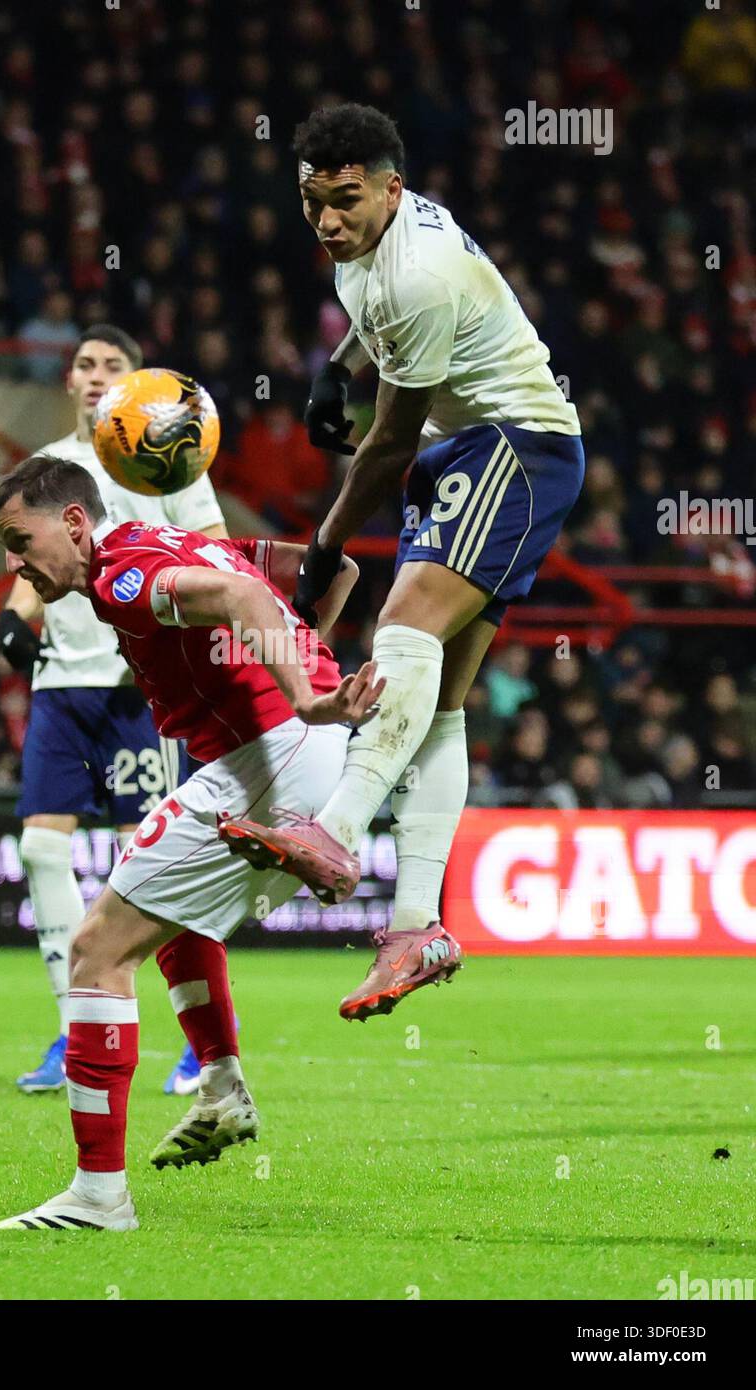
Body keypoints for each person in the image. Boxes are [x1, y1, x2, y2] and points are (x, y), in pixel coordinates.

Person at [219, 103, 584, 1021]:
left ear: (391, 187)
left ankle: (337, 828)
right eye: (312, 204)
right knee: (443, 699)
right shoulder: (371, 244)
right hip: (481, 451)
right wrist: (333, 367)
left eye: (345, 201)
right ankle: (418, 924)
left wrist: (331, 541)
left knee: (402, 626)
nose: (328, 221)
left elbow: (388, 442)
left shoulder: (418, 275)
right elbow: (368, 324)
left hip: (513, 443)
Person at [0, 454, 391, 1231]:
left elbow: (239, 596)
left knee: (98, 950)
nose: (13, 563)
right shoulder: (174, 538)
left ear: (73, 522)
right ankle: (223, 1085)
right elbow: (331, 574)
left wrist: (302, 695)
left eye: (18, 539)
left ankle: (99, 1196)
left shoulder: (119, 577)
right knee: (168, 919)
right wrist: (303, 662)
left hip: (270, 753)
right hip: (288, 751)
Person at [0, 324, 232, 1094]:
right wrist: (13, 617)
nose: (97, 375)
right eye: (86, 364)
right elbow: (31, 568)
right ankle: (73, 1029)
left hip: (142, 688)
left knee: (151, 867)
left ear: (136, 380)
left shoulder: (165, 454)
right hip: (63, 686)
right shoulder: (46, 473)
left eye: (114, 365)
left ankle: (201, 1040)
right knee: (38, 849)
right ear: (68, 381)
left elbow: (219, 553)